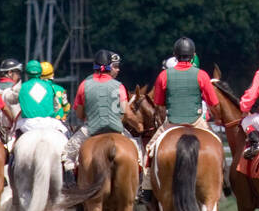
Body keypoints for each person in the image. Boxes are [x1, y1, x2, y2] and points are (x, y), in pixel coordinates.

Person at [146, 37, 220, 166]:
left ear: (175, 55)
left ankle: (147, 186)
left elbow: (159, 105)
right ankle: (223, 180)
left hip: (172, 123)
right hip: (196, 122)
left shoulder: (163, 76)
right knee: (217, 145)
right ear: (193, 55)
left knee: (150, 150)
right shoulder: (202, 75)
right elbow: (214, 103)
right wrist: (217, 117)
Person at [63, 50, 136, 174]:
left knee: (67, 155)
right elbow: (125, 112)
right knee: (136, 152)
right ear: (110, 66)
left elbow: (79, 115)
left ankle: (71, 184)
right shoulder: (119, 85)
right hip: (116, 129)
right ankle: (139, 187)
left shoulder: (84, 85)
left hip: (90, 130)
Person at [2, 60, 69, 148]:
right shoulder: (49, 86)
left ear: (27, 72)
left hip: (27, 124)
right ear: (40, 72)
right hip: (48, 122)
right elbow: (56, 106)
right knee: (67, 135)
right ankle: (68, 159)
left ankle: (10, 160)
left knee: (10, 143)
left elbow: (11, 100)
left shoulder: (22, 86)